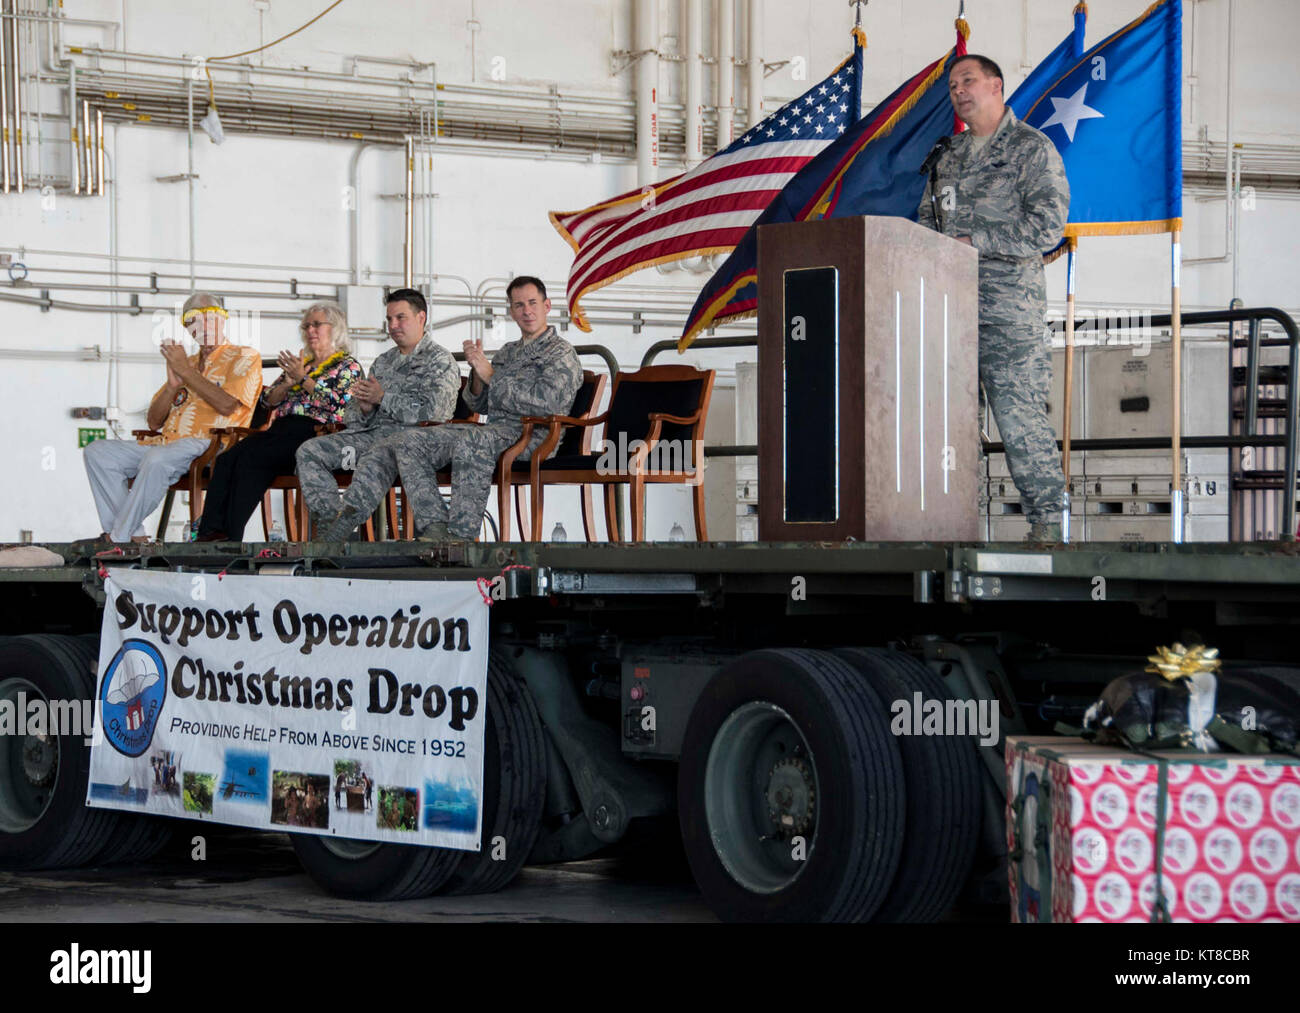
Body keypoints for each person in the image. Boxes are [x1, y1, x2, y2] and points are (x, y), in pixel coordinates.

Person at [917, 54, 1070, 542]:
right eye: (953, 85)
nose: (959, 90)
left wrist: (976, 241)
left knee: (1020, 420)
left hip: (1009, 314)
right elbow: (926, 224)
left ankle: (1048, 527)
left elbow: (1048, 228)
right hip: (949, 311)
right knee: (948, 426)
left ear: (996, 86)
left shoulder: (1031, 149)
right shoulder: (947, 155)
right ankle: (949, 524)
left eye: (968, 81)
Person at [387, 276, 583, 541]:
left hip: (532, 435)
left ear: (547, 306)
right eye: (519, 305)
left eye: (533, 303)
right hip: (494, 431)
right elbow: (479, 404)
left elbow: (548, 402)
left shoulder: (561, 353)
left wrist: (492, 376)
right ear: (512, 311)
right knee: (409, 441)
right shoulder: (508, 351)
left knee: (472, 440)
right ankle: (434, 526)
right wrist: (477, 373)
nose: (526, 310)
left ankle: (461, 537)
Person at [82, 291, 262, 549]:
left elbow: (227, 406)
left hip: (210, 442)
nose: (204, 326)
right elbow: (154, 422)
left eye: (211, 318)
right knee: (97, 452)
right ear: (188, 329)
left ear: (223, 321)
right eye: (194, 321)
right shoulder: (184, 362)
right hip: (167, 441)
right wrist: (171, 386)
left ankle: (118, 538)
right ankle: (135, 534)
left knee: (157, 460)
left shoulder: (244, 355)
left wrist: (186, 372)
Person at [295, 289, 460, 536]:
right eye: (389, 319)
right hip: (371, 438)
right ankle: (332, 525)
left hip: (414, 445)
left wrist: (384, 398)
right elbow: (351, 415)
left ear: (421, 317)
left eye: (400, 318)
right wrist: (365, 408)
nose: (393, 325)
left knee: (380, 453)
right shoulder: (384, 361)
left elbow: (435, 412)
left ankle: (340, 529)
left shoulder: (440, 360)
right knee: (310, 451)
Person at [195, 301, 361, 541]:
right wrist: (286, 384)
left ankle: (230, 536)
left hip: (317, 434)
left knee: (253, 459)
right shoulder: (300, 364)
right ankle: (209, 532)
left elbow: (339, 404)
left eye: (316, 325)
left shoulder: (347, 365)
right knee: (227, 459)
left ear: (335, 327)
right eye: (306, 326)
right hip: (282, 429)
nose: (310, 330)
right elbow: (267, 401)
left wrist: (304, 380)